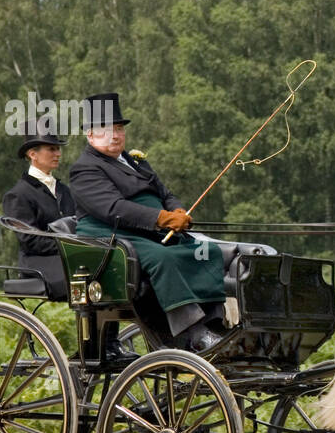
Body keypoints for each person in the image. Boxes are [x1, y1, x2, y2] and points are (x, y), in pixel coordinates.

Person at [69, 92, 226, 352]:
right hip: (111, 236)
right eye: (107, 130)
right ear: (90, 135)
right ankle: (191, 333)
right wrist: (162, 219)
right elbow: (113, 208)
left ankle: (215, 323)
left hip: (147, 232)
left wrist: (178, 212)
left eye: (119, 129)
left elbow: (164, 193)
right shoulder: (85, 168)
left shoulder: (135, 161)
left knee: (205, 252)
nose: (115, 135)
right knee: (162, 258)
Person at [1, 117, 75, 299]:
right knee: (86, 276)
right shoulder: (18, 194)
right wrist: (70, 245)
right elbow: (31, 241)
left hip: (68, 256)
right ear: (32, 154)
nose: (57, 153)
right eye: (51, 149)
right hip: (38, 263)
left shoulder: (64, 190)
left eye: (58, 148)